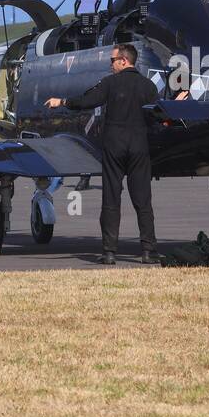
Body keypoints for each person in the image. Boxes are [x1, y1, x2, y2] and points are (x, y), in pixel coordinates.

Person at [46, 43, 158, 264]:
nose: (110, 64)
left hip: (114, 146)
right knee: (143, 201)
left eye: (112, 60)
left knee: (111, 199)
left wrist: (63, 101)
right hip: (139, 147)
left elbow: (88, 101)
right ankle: (148, 251)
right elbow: (156, 115)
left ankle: (109, 252)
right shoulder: (148, 86)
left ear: (124, 61)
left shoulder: (110, 83)